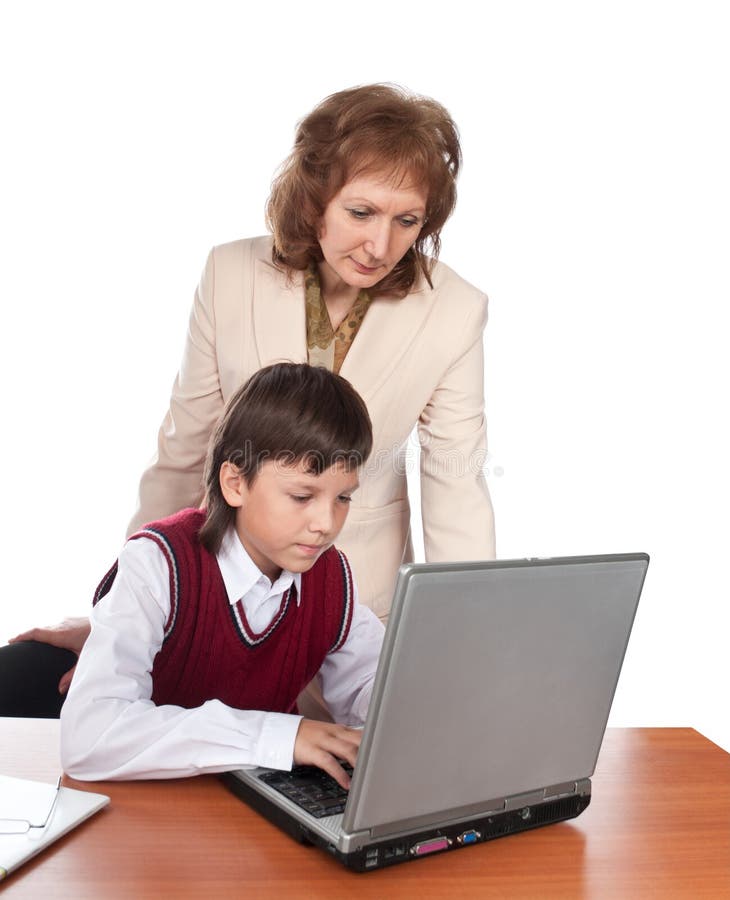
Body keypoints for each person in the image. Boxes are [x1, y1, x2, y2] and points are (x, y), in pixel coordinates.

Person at [4, 82, 495, 709]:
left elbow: (457, 483)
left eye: (408, 221)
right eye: (361, 213)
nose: (381, 246)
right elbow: (183, 453)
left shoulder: (455, 309)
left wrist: (466, 649)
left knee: (341, 782)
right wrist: (119, 618)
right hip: (215, 605)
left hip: (356, 609)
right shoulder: (230, 275)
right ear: (316, 198)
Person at [60, 363, 384, 787]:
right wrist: (276, 735)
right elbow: (88, 740)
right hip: (149, 808)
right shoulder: (158, 563)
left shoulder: (332, 578)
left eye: (343, 497)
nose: (326, 522)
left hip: (258, 815)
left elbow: (373, 689)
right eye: (302, 496)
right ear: (235, 483)